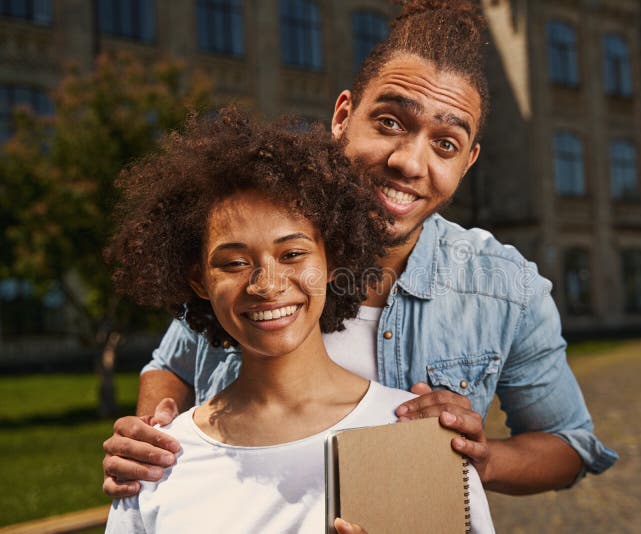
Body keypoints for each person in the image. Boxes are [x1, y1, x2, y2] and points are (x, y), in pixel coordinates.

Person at [103, 0, 617, 499]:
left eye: (445, 144)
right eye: (390, 122)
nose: (410, 163)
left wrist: (482, 459)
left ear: (468, 162)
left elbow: (569, 443)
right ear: (344, 115)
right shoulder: (260, 249)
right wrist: (153, 432)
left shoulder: (505, 287)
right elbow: (169, 364)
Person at [104, 110, 494, 533]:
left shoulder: (411, 438)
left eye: (292, 254)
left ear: (333, 257)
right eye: (234, 262)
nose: (267, 285)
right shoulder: (158, 464)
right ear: (199, 280)